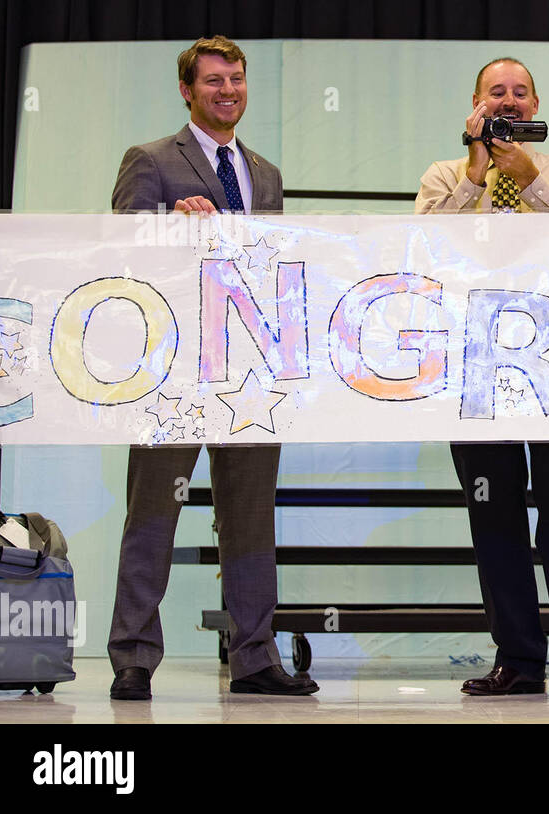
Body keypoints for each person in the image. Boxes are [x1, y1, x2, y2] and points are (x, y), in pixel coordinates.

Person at [107, 36, 317, 699]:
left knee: (251, 519)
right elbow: (115, 247)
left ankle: (254, 657)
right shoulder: (148, 160)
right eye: (215, 80)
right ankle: (134, 658)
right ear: (187, 90)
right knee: (152, 514)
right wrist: (170, 219)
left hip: (250, 371)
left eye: (237, 79)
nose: (229, 90)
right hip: (173, 367)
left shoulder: (266, 173)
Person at [416, 57, 549, 699]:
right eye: (497, 92)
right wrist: (476, 173)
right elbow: (424, 252)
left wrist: (532, 185)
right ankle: (519, 659)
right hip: (475, 371)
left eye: (521, 92)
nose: (510, 101)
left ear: (537, 103)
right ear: (474, 105)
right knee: (494, 517)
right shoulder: (444, 177)